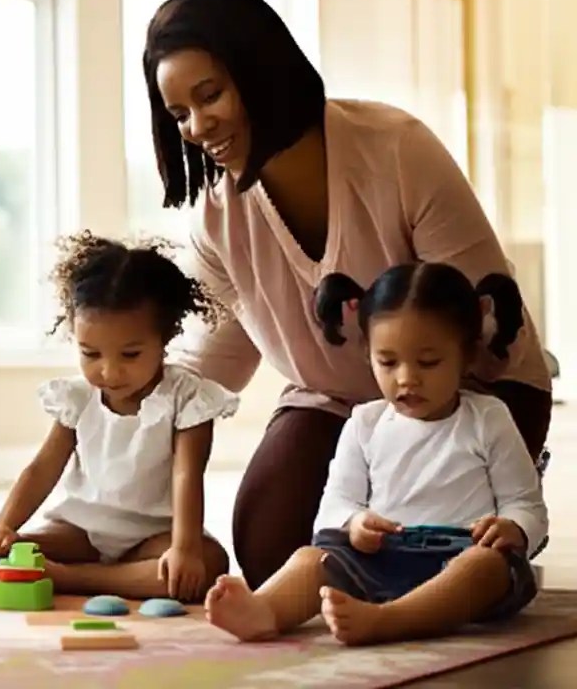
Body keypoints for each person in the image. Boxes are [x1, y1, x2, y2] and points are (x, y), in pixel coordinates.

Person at [143, 0, 553, 588]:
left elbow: (488, 316)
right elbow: (209, 364)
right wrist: (118, 422)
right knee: (268, 551)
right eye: (179, 114)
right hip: (340, 404)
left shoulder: (397, 148)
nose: (199, 127)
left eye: (211, 96)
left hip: (472, 386)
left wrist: (438, 444)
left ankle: (500, 485)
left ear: (261, 70)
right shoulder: (216, 217)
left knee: (443, 552)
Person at [205, 262, 546, 646]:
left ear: (466, 356)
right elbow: (335, 505)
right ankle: (265, 609)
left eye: (428, 362)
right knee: (311, 558)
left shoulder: (487, 418)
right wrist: (354, 523)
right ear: (368, 353)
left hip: (461, 554)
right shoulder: (365, 423)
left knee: (485, 567)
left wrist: (512, 528)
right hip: (381, 559)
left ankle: (390, 620)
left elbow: (526, 504)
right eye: (388, 362)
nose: (406, 378)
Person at [0, 232, 233, 601]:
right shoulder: (78, 397)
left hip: (155, 536)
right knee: (4, 553)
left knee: (209, 562)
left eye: (130, 355)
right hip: (82, 532)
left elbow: (188, 473)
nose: (108, 372)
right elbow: (42, 467)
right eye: (91, 354)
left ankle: (76, 580)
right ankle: (105, 574)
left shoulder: (187, 397)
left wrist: (184, 547)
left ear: (165, 337)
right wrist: (4, 526)